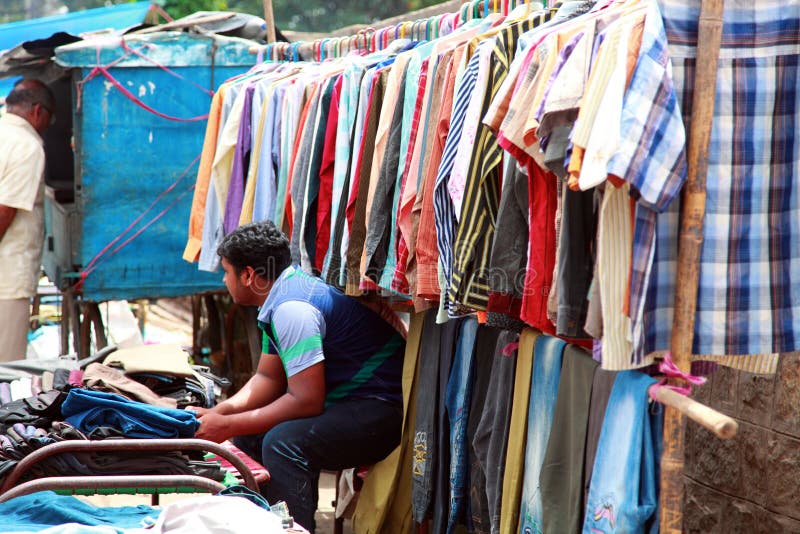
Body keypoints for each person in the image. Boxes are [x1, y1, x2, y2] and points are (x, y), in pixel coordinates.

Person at [193, 220, 405, 531]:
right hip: (355, 404)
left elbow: (306, 401)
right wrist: (220, 412)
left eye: (226, 272)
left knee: (282, 443)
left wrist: (227, 424)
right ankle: (259, 524)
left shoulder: (292, 308)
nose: (224, 280)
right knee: (250, 437)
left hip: (383, 409)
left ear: (249, 275)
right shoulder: (281, 297)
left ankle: (292, 528)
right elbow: (268, 377)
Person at [0, 79, 55, 361]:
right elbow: (4, 211)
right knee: (6, 369)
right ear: (37, 112)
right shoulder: (27, 145)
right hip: (7, 279)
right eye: (49, 118)